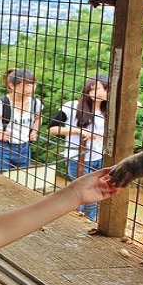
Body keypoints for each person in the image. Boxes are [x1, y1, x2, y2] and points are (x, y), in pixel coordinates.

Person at [48, 74, 110, 221]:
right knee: (89, 196)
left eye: (100, 89)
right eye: (92, 89)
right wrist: (78, 131)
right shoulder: (72, 107)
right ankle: (89, 222)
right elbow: (52, 128)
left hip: (99, 159)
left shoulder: (108, 111)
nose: (95, 93)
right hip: (77, 159)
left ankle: (85, 220)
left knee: (95, 194)